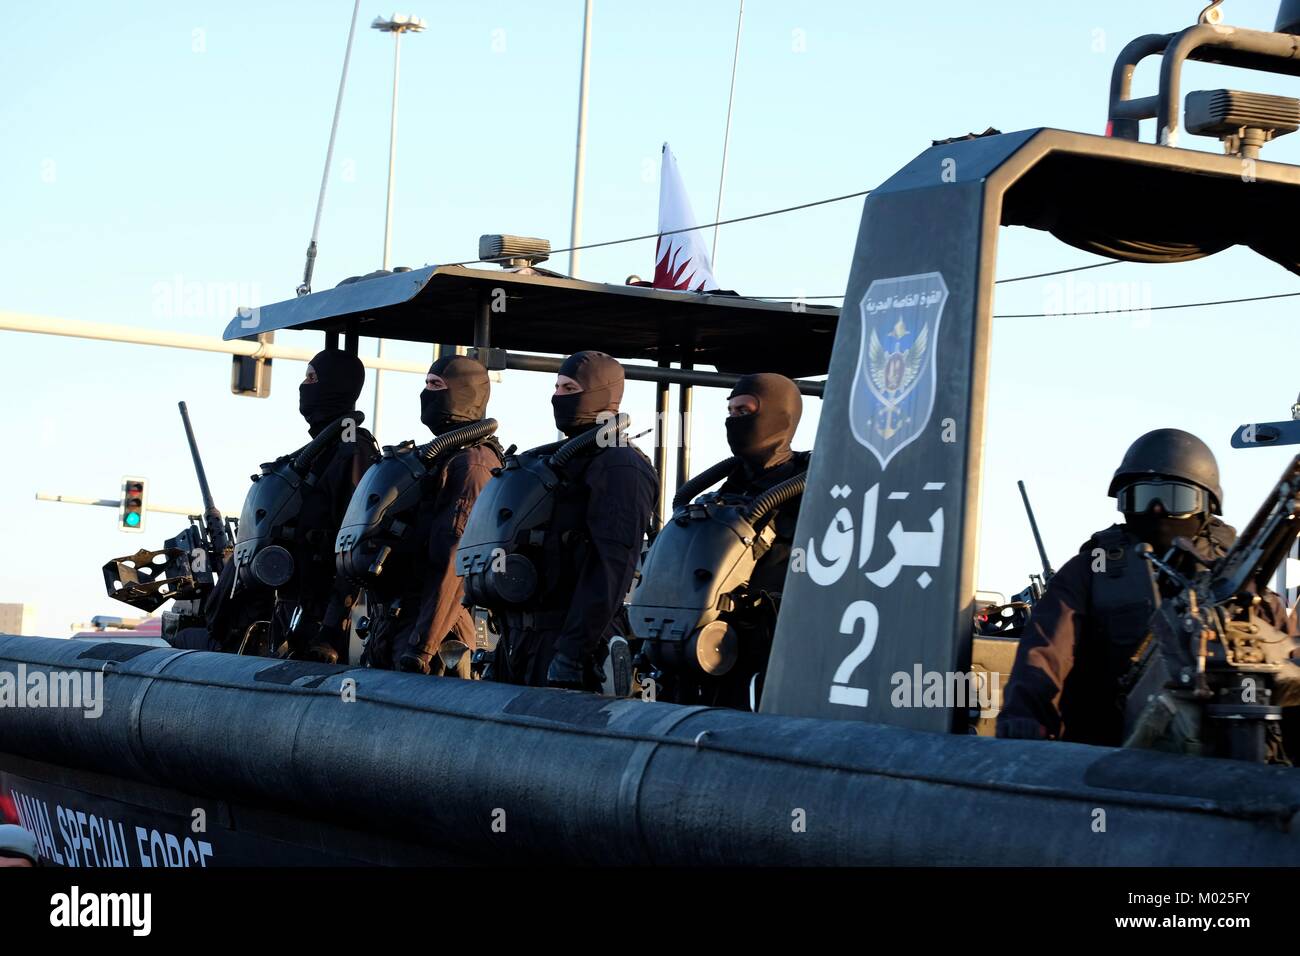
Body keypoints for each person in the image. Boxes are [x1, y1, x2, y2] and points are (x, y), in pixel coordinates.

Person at [997, 428, 1293, 747]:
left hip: (1228, 763)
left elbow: (1287, 666)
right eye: (1140, 497)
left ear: (1205, 506)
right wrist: (1024, 717)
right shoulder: (1090, 571)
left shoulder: (1242, 581)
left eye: (1173, 498)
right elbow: (1044, 653)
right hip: (1109, 763)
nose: (1156, 510)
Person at [491, 350, 657, 691]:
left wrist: (572, 652)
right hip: (520, 642)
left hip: (566, 645)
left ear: (600, 393)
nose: (557, 397)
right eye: (556, 388)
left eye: (569, 388)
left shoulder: (619, 466)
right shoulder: (557, 462)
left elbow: (610, 569)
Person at [203, 348, 378, 662]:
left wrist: (328, 629)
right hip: (289, 608)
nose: (304, 386)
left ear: (336, 385)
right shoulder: (313, 454)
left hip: (320, 618)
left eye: (312, 378)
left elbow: (354, 544)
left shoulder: (353, 452)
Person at [363, 355, 503, 674]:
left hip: (436, 636)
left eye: (436, 385)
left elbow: (454, 563)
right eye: (425, 384)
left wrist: (422, 647)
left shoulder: (473, 464)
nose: (427, 393)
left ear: (463, 391)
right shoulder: (436, 458)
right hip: (400, 624)